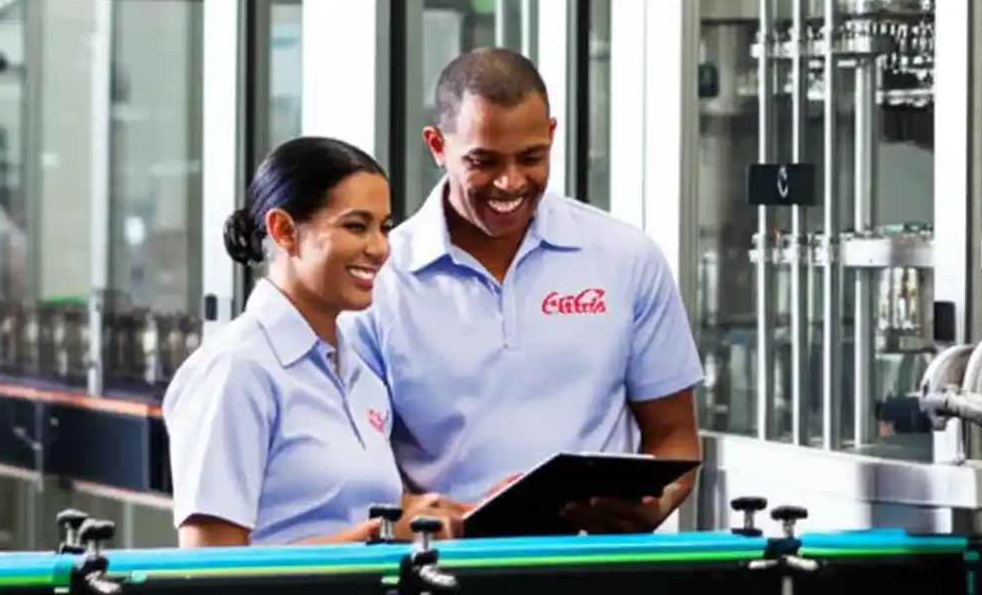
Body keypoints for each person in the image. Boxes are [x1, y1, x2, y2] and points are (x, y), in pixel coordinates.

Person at [341, 47, 705, 533]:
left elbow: (675, 435)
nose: (510, 182)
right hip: (443, 571)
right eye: (483, 161)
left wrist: (658, 503)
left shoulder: (626, 257)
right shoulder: (380, 279)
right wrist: (414, 513)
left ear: (552, 135)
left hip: (597, 566)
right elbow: (351, 468)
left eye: (532, 157)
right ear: (436, 145)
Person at [163, 136, 464, 547]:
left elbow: (334, 512)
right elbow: (208, 566)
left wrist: (431, 511)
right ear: (284, 230)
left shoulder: (361, 378)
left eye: (384, 227)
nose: (379, 248)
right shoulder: (236, 370)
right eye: (356, 226)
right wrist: (383, 538)